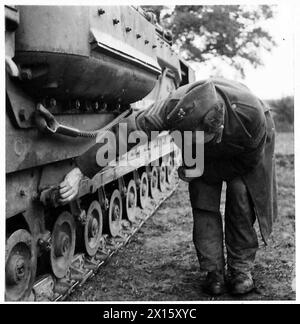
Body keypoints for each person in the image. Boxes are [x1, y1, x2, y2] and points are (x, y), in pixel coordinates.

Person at [59, 78, 277, 296]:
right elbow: (128, 133)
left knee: (241, 196)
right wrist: (81, 171)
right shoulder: (172, 109)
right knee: (203, 196)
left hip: (246, 146)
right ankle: (213, 272)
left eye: (205, 139)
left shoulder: (251, 113)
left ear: (218, 127)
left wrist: (208, 171)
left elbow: (248, 162)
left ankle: (240, 270)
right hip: (200, 148)